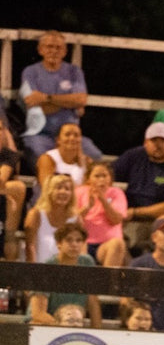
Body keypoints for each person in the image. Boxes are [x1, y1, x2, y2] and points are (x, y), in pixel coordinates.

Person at [18, 31, 102, 162]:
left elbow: (81, 99)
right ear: (40, 50)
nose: (54, 51)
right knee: (42, 158)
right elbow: (33, 104)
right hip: (40, 133)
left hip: (70, 134)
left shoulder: (74, 71)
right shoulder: (30, 72)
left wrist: (46, 98)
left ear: (65, 51)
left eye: (58, 48)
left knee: (95, 156)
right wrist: (69, 103)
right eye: (49, 47)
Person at [112, 122, 164, 255]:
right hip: (131, 216)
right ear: (145, 143)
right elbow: (108, 174)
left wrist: (133, 212)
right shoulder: (134, 156)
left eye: (163, 141)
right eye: (154, 140)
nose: (158, 145)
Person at [26, 222, 102, 329]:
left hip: (73, 321)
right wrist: (62, 328)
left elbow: (93, 301)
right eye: (69, 240)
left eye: (78, 240)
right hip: (45, 324)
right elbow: (38, 314)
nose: (74, 244)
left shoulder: (87, 262)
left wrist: (98, 333)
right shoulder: (47, 268)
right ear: (59, 244)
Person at [75, 161, 128, 267]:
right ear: (88, 179)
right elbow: (72, 220)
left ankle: (107, 283)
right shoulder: (79, 192)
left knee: (118, 244)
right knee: (78, 243)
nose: (101, 179)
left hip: (105, 245)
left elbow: (116, 220)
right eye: (97, 176)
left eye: (104, 176)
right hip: (83, 242)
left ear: (110, 179)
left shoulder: (116, 193)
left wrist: (102, 200)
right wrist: (88, 207)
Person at [24, 173, 80, 265]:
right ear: (49, 191)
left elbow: (81, 249)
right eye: (58, 188)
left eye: (67, 189)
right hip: (40, 270)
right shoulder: (36, 214)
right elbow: (30, 246)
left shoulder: (76, 218)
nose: (63, 192)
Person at [34, 123, 91, 197]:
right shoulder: (47, 158)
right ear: (58, 140)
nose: (72, 138)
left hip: (76, 203)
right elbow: (46, 187)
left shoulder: (87, 161)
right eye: (67, 135)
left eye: (76, 135)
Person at [0, 114, 27, 261]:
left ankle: (10, 279)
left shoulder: (9, 155)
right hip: (5, 196)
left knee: (18, 187)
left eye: (0, 129)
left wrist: (4, 190)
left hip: (4, 205)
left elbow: (1, 180)